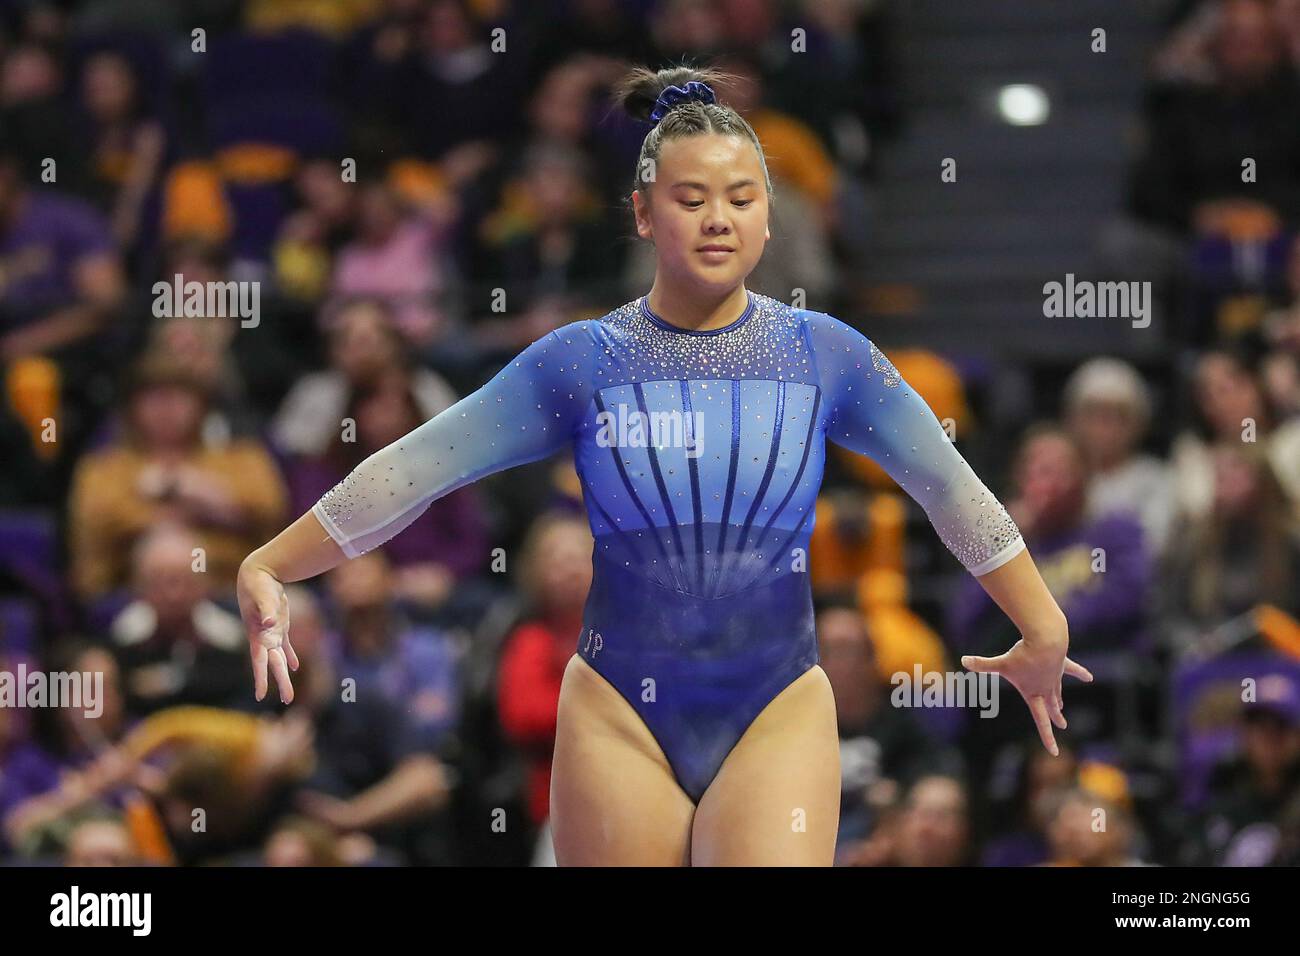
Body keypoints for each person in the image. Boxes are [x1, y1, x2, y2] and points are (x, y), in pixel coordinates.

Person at [237, 66, 1090, 866]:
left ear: (767, 215)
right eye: (691, 198)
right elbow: (415, 470)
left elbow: (950, 487)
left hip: (777, 706)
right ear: (644, 213)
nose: (718, 217)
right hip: (619, 713)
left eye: (741, 197)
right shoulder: (579, 361)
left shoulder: (828, 356)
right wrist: (273, 561)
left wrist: (1042, 623)